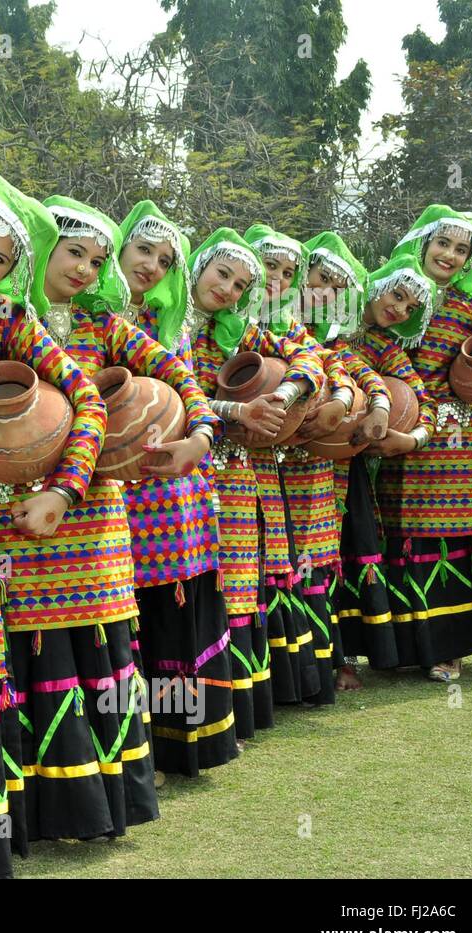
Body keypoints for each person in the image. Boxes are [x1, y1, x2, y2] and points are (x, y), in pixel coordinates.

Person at [0, 170, 157, 859]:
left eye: (0, 257)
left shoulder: (11, 321)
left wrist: (65, 489)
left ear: (17, 270)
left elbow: (88, 400)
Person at [106, 200, 239, 777]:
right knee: (130, 619)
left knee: (175, 611)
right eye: (143, 252)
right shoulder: (93, 320)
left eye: (165, 260)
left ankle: (185, 743)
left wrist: (199, 441)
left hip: (179, 493)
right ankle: (145, 751)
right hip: (117, 492)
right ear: (119, 249)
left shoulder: (171, 327)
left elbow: (194, 397)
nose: (152, 267)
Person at [185, 229, 325, 740]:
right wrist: (234, 409)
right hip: (181, 475)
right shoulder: (166, 321)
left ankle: (240, 709)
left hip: (237, 472)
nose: (232, 289)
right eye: (224, 275)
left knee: (240, 583)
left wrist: (285, 395)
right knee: (200, 588)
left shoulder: (246, 329)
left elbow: (313, 360)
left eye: (242, 283)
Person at [377, 207, 472, 681]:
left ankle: (447, 647)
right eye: (443, 244)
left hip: (453, 444)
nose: (449, 255)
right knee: (400, 538)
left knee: (447, 541)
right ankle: (405, 646)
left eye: (461, 249)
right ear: (423, 242)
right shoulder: (396, 291)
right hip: (396, 440)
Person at [302, 241, 436, 685]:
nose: (400, 309)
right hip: (287, 463)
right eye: (396, 295)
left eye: (411, 305)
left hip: (344, 472)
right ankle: (305, 665)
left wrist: (410, 438)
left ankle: (343, 657)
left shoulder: (381, 347)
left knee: (342, 555)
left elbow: (424, 399)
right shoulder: (299, 329)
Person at [246, 224, 360, 706]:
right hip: (251, 463)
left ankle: (314, 670)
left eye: (288, 272)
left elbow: (335, 367)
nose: (322, 291)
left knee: (304, 562)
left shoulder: (300, 331)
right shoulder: (235, 319)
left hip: (307, 466)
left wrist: (349, 395)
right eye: (318, 278)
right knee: (257, 567)